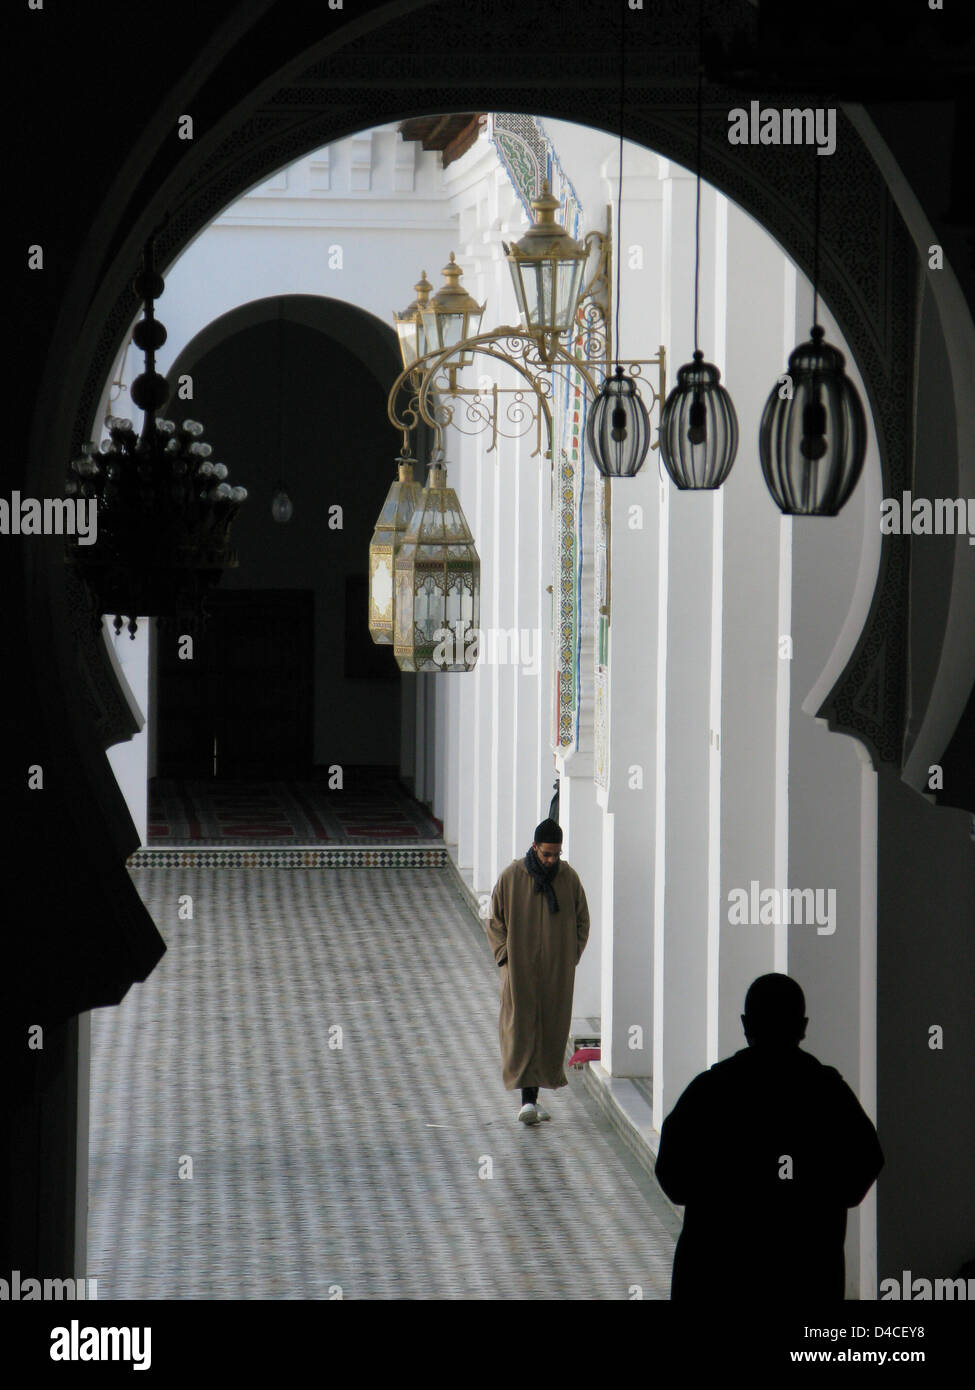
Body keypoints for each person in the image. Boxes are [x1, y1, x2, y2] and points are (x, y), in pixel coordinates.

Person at [653, 973, 884, 1300]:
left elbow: (671, 1173)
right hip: (807, 1272)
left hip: (715, 1273)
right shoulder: (827, 1092)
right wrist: (820, 1202)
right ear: (803, 1026)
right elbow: (868, 1158)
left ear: (746, 1025)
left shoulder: (711, 1090)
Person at [484, 818, 590, 1125]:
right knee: (521, 1028)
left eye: (556, 854)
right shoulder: (512, 877)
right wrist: (504, 956)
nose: (551, 860)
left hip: (556, 972)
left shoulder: (568, 879)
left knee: (549, 1029)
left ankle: (533, 1099)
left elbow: (582, 920)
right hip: (519, 971)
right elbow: (495, 921)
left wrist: (570, 954)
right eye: (546, 854)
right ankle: (527, 1099)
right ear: (535, 848)